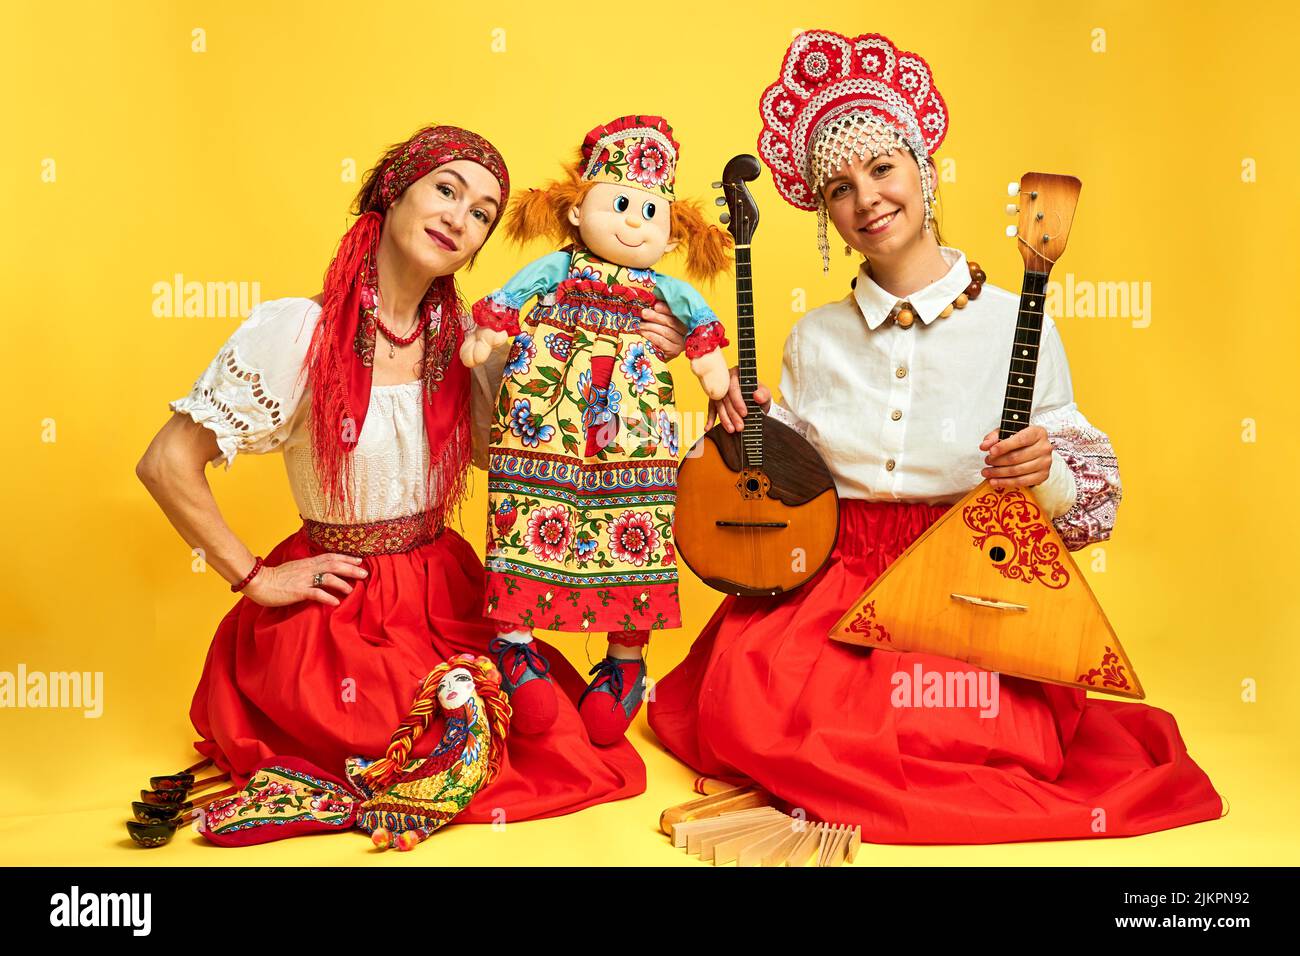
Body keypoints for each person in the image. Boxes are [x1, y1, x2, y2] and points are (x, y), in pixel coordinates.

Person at [647, 31, 1225, 843]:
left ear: (923, 170)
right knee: (754, 699)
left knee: (954, 727)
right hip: (833, 581)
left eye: (882, 168)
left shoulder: (1015, 322)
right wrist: (750, 430)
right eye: (839, 188)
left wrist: (1042, 469)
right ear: (826, 216)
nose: (867, 198)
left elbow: (1083, 494)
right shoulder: (815, 337)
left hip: (961, 589)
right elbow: (795, 481)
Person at [137, 124, 686, 823]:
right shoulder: (298, 333)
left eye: (483, 212)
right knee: (417, 738)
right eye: (447, 190)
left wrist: (641, 355)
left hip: (446, 591)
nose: (461, 217)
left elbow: (563, 445)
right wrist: (255, 577)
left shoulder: (465, 344)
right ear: (393, 193)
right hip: (341, 611)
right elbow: (164, 462)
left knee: (550, 733)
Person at [460, 115, 733, 745]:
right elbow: (510, 295)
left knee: (631, 524)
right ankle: (515, 646)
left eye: (649, 212)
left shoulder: (664, 288)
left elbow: (700, 325)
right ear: (579, 212)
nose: (634, 221)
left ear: (669, 237)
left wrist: (710, 364)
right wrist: (490, 331)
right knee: (528, 509)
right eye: (619, 204)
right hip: (544, 415)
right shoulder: (558, 268)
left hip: (631, 425)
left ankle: (626, 663)